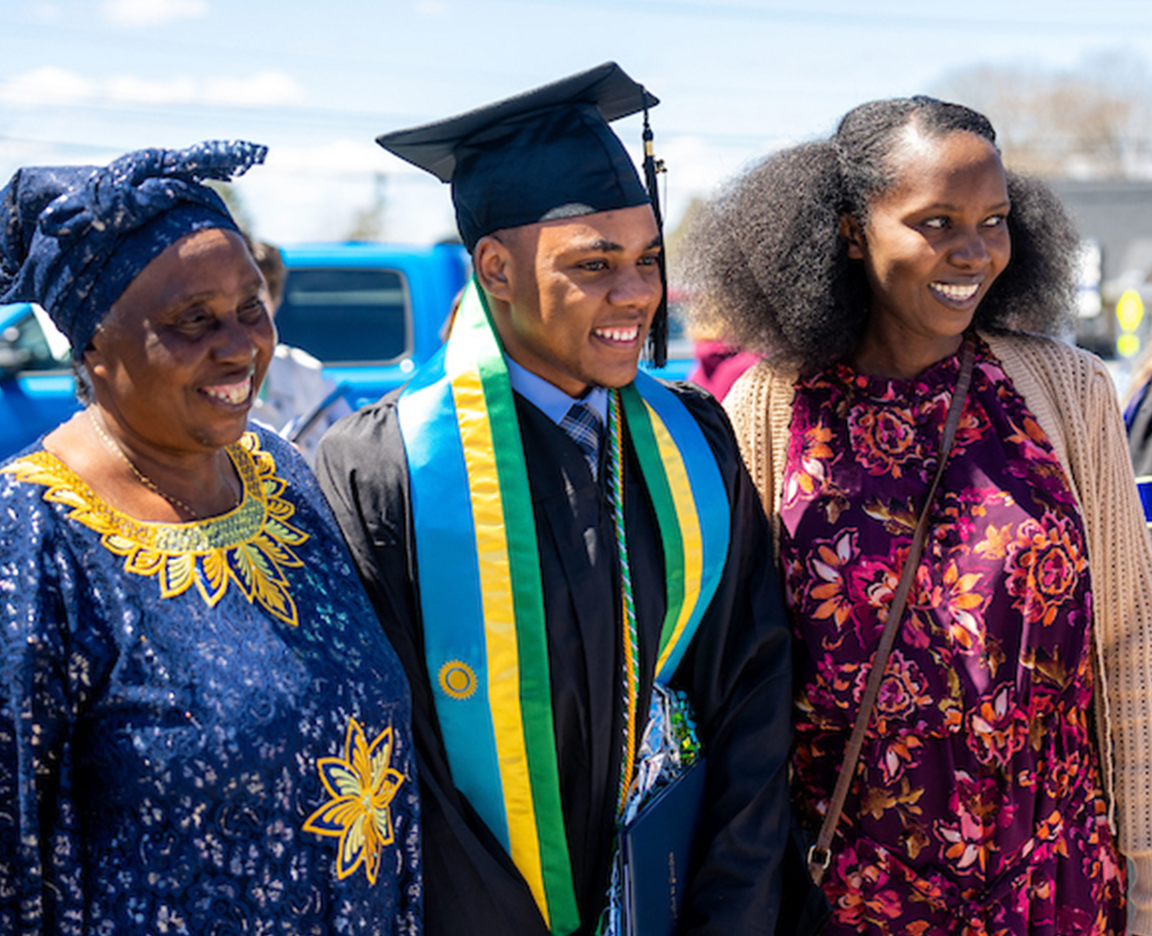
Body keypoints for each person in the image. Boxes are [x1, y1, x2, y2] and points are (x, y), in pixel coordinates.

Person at [315, 63, 812, 936]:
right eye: (594, 265)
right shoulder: (383, 470)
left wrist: (725, 912)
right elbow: (396, 762)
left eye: (647, 260)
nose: (636, 294)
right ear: (496, 269)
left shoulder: (690, 440)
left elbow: (751, 684)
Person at [680, 94, 1152, 934]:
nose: (972, 251)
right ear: (851, 230)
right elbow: (740, 687)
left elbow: (1127, 647)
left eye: (993, 219)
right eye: (935, 221)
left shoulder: (1064, 392)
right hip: (850, 900)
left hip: (1053, 891)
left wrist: (1145, 879)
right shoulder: (769, 409)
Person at [0, 142, 420, 935]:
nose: (240, 345)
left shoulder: (278, 476)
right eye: (191, 321)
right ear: (93, 346)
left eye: (252, 306)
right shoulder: (25, 538)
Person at [247, 239, 351, 466]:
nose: (241, 321)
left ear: (275, 301)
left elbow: (351, 454)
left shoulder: (307, 372)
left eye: (254, 303)